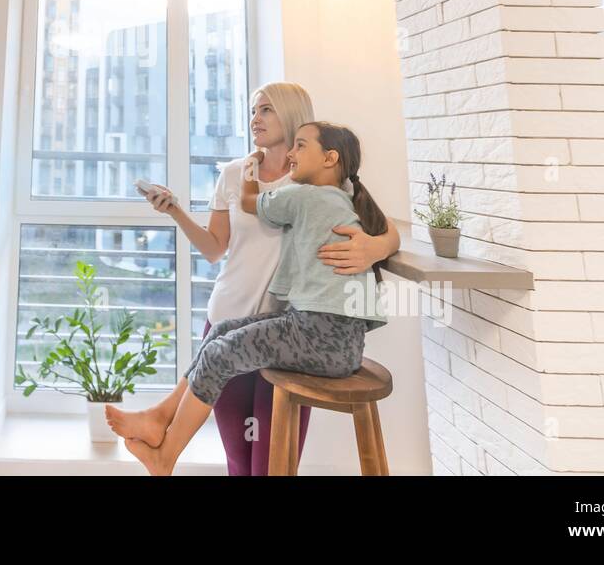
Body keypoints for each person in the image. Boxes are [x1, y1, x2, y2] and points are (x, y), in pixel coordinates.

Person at [107, 82, 399, 474]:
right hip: (231, 317)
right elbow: (214, 249)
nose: (254, 119)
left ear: (292, 116)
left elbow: (385, 228)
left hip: (293, 332)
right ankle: (161, 418)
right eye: (252, 111)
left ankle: (163, 433)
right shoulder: (233, 174)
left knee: (272, 462)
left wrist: (375, 248)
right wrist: (175, 211)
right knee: (239, 460)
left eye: (265, 110)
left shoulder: (317, 178)